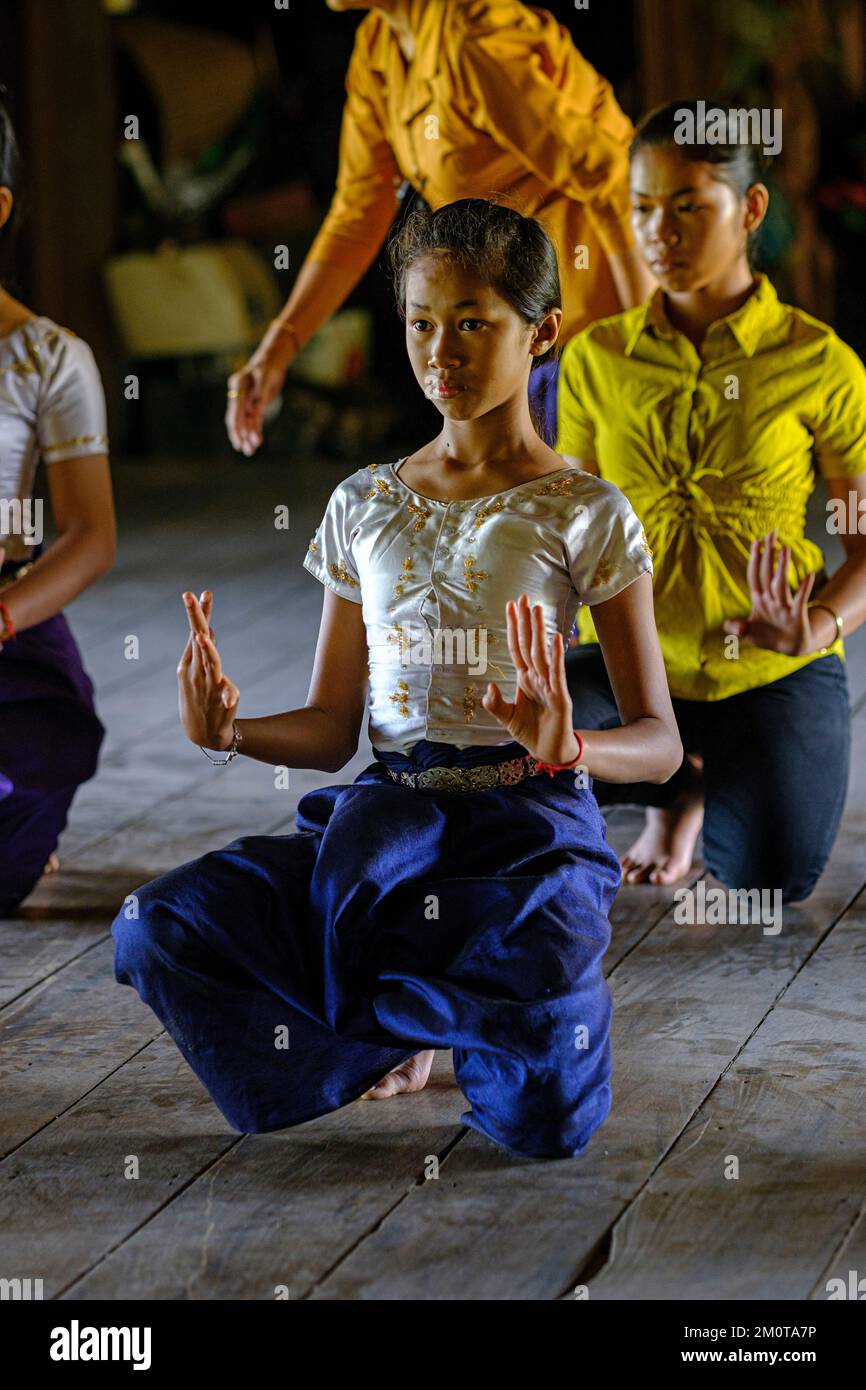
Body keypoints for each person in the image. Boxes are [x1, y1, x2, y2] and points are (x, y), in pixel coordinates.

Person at [113, 200, 681, 1160]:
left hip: (528, 836)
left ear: (543, 333)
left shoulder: (585, 511)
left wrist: (572, 745)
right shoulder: (364, 502)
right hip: (389, 827)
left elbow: (662, 745)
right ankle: (397, 1024)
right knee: (156, 924)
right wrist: (232, 735)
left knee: (543, 1128)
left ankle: (477, 1008)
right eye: (421, 322)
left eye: (473, 323)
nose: (441, 352)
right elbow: (336, 729)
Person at [557, 100, 866, 901]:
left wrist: (817, 625)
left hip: (769, 666)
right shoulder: (597, 359)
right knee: (508, 762)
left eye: (689, 205)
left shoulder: (820, 363)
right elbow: (565, 528)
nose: (661, 231)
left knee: (773, 875)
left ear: (750, 207)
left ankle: (699, 780)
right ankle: (672, 783)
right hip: (628, 668)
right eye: (644, 209)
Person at [226, 0, 654, 454]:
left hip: (583, 331)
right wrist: (278, 346)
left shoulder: (474, 41)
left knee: (589, 509)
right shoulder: (379, 47)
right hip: (509, 338)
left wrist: (648, 339)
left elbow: (611, 178)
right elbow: (358, 211)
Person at [0, 95, 115, 917]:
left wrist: (3, 617)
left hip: (8, 611)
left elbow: (88, 535)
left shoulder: (47, 358)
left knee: (47, 742)